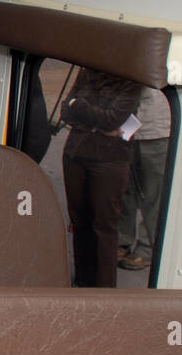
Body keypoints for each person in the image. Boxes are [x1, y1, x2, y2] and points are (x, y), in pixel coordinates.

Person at [60, 67, 144, 288]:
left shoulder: (132, 79)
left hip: (110, 160)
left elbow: (112, 119)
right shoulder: (89, 71)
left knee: (104, 226)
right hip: (75, 153)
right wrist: (96, 121)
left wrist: (80, 108)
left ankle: (105, 290)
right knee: (79, 222)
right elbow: (65, 111)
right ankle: (82, 282)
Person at [117, 86, 171, 270]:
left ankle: (149, 247)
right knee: (126, 188)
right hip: (130, 122)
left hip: (157, 126)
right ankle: (122, 239)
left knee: (153, 192)